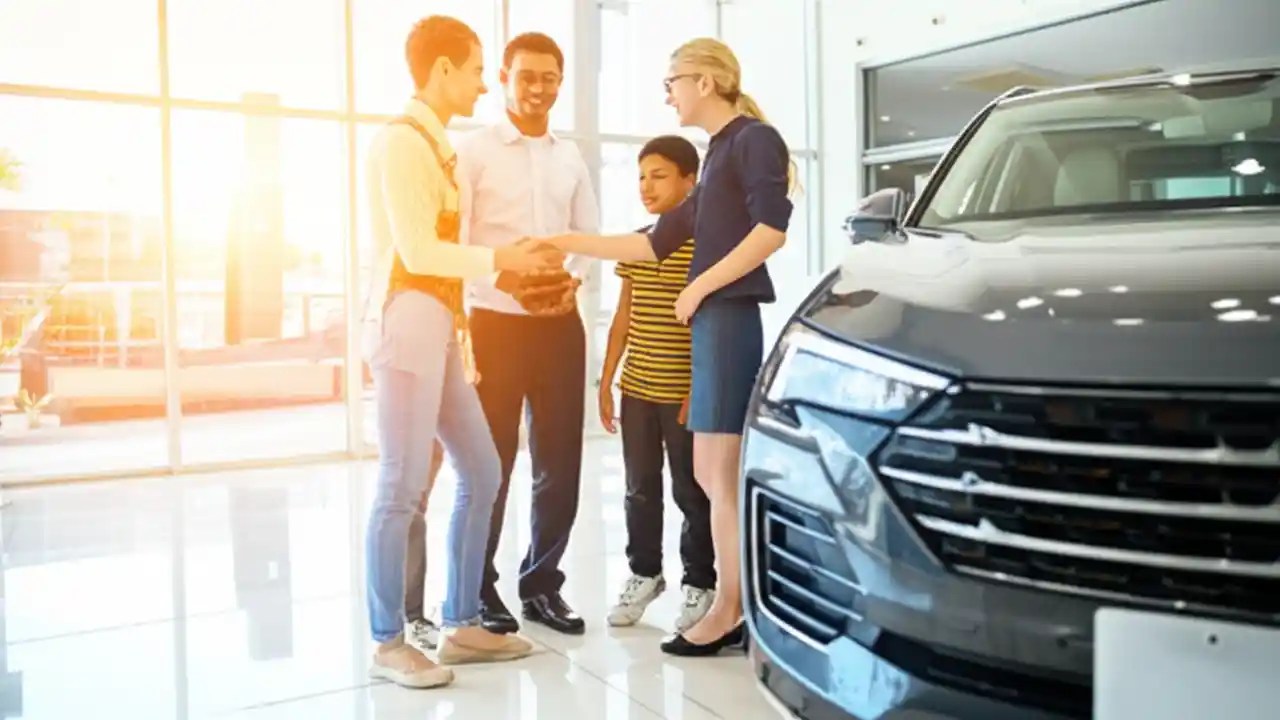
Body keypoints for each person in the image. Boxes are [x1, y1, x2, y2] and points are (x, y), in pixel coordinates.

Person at [536, 37, 795, 657]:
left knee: (716, 474)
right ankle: (733, 605)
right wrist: (566, 239)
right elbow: (654, 242)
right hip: (712, 322)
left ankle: (731, 608)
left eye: (673, 80)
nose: (669, 93)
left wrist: (698, 286)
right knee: (711, 472)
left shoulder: (754, 138)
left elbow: (772, 230)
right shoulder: (720, 152)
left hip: (728, 318)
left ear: (705, 81)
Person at [361, 15, 561, 688]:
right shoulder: (402, 143)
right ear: (443, 69)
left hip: (438, 322)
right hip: (406, 317)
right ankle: (387, 641)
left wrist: (466, 327)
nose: (485, 83)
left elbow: (441, 259)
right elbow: (417, 251)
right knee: (401, 481)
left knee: (481, 468)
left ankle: (462, 622)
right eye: (478, 70)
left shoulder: (434, 144)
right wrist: (501, 259)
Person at [455, 32, 598, 637]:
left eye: (550, 78)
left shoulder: (570, 157)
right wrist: (499, 282)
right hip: (494, 323)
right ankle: (480, 587)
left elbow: (586, 237)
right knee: (491, 463)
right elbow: (457, 242)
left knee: (560, 460)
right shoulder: (474, 152)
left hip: (559, 326)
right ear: (505, 79)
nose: (539, 89)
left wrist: (570, 282)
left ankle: (542, 585)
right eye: (526, 77)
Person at [599, 136, 715, 632]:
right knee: (639, 489)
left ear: (690, 181)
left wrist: (698, 386)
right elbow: (624, 315)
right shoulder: (639, 242)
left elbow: (709, 324)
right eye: (642, 176)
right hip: (637, 389)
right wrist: (606, 380)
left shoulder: (708, 248)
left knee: (691, 492)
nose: (647, 186)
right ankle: (645, 574)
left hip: (682, 395)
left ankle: (700, 582)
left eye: (659, 175)